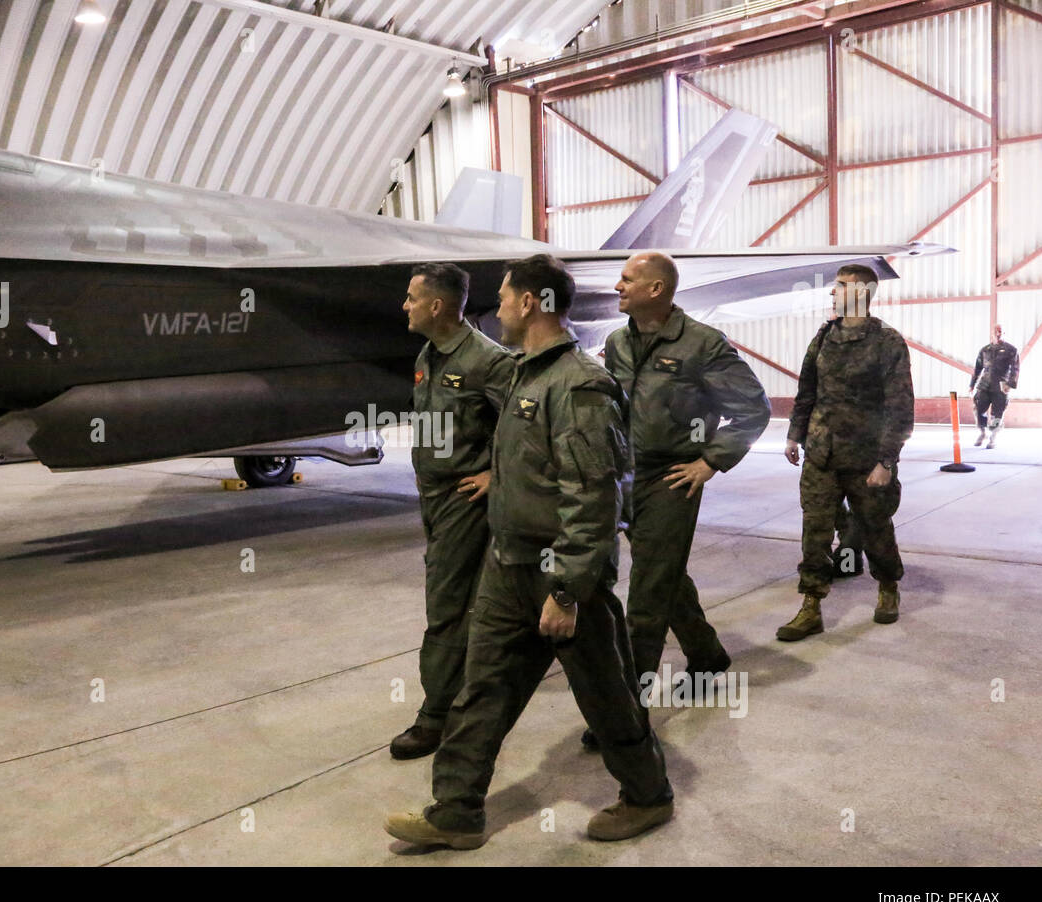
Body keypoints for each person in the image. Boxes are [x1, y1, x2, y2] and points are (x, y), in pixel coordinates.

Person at [385, 254, 673, 850]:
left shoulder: (579, 383)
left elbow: (593, 493)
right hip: (507, 564)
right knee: (481, 690)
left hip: (559, 576)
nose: (497, 307)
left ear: (531, 303)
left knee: (606, 695)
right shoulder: (520, 373)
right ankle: (456, 811)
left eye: (505, 295)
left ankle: (647, 796)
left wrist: (568, 587)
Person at [599, 252, 770, 709]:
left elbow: (754, 409)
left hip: (672, 477)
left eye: (627, 279)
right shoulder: (617, 342)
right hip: (625, 474)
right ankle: (707, 654)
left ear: (656, 289)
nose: (618, 286)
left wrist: (709, 461)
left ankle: (625, 705)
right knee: (665, 574)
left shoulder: (702, 344)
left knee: (648, 587)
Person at [390, 263, 513, 760]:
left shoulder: (488, 360)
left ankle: (435, 715)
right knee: (470, 604)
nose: (405, 305)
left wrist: (493, 475)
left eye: (411, 297)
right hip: (433, 496)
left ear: (436, 306)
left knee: (445, 606)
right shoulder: (428, 354)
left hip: (465, 499)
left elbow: (528, 426)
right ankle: (478, 694)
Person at [778, 265, 914, 641]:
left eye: (839, 286)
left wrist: (887, 460)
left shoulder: (887, 341)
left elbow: (900, 407)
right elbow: (807, 390)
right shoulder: (824, 337)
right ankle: (811, 606)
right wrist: (794, 436)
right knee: (814, 533)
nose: (832, 292)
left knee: (875, 528)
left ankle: (888, 587)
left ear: (862, 293)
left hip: (866, 458)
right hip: (822, 455)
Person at [968, 325, 1019, 449]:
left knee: (997, 414)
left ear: (1004, 333)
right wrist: (972, 385)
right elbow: (977, 368)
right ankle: (982, 432)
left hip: (1001, 386)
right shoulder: (985, 350)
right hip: (984, 385)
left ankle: (993, 436)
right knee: (979, 409)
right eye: (996, 331)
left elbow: (1015, 368)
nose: (998, 333)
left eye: (1000, 331)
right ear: (992, 333)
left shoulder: (1011, 350)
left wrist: (1010, 384)